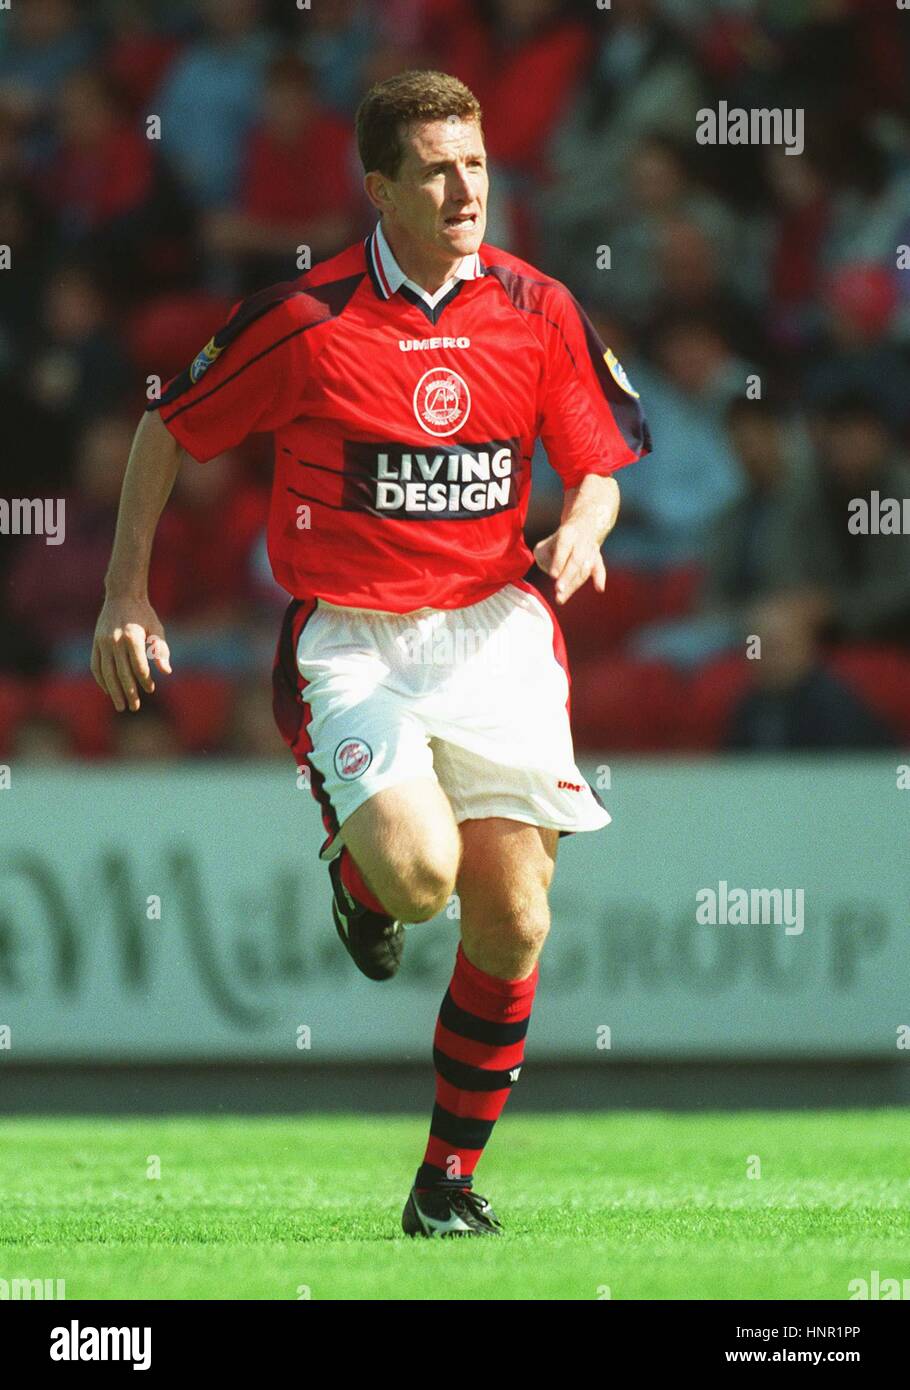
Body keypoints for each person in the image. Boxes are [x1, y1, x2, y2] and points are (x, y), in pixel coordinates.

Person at [90, 70, 650, 1238]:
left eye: (478, 164)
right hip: (353, 635)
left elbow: (598, 453)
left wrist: (584, 526)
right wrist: (124, 592)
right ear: (381, 187)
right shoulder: (306, 319)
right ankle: (359, 881)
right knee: (418, 875)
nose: (465, 189)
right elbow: (166, 426)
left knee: (516, 918)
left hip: (496, 628)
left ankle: (443, 1182)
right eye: (438, 168)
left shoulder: (537, 306)